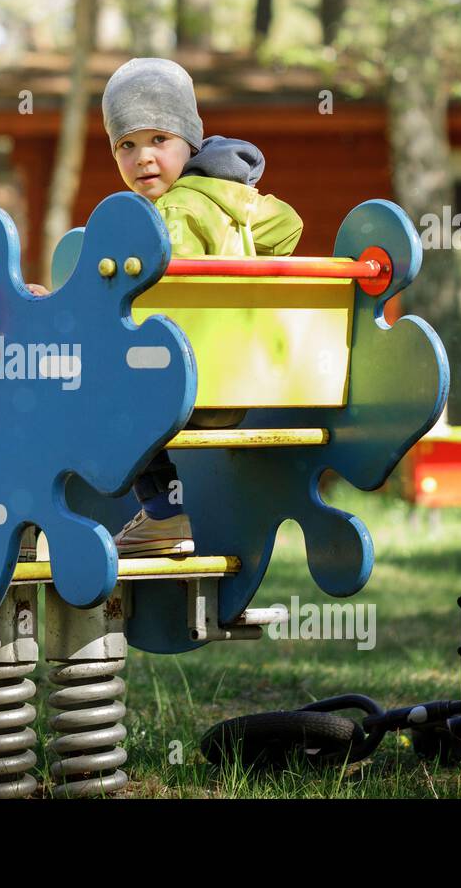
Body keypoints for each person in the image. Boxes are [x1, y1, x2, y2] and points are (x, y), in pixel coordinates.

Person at [101, 57, 304, 557]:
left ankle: (160, 516)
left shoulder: (169, 212)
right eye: (126, 145)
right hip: (239, 384)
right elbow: (290, 227)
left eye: (158, 140)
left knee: (101, 393)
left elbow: (149, 290)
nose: (143, 158)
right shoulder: (236, 199)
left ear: (190, 142)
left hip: (181, 387)